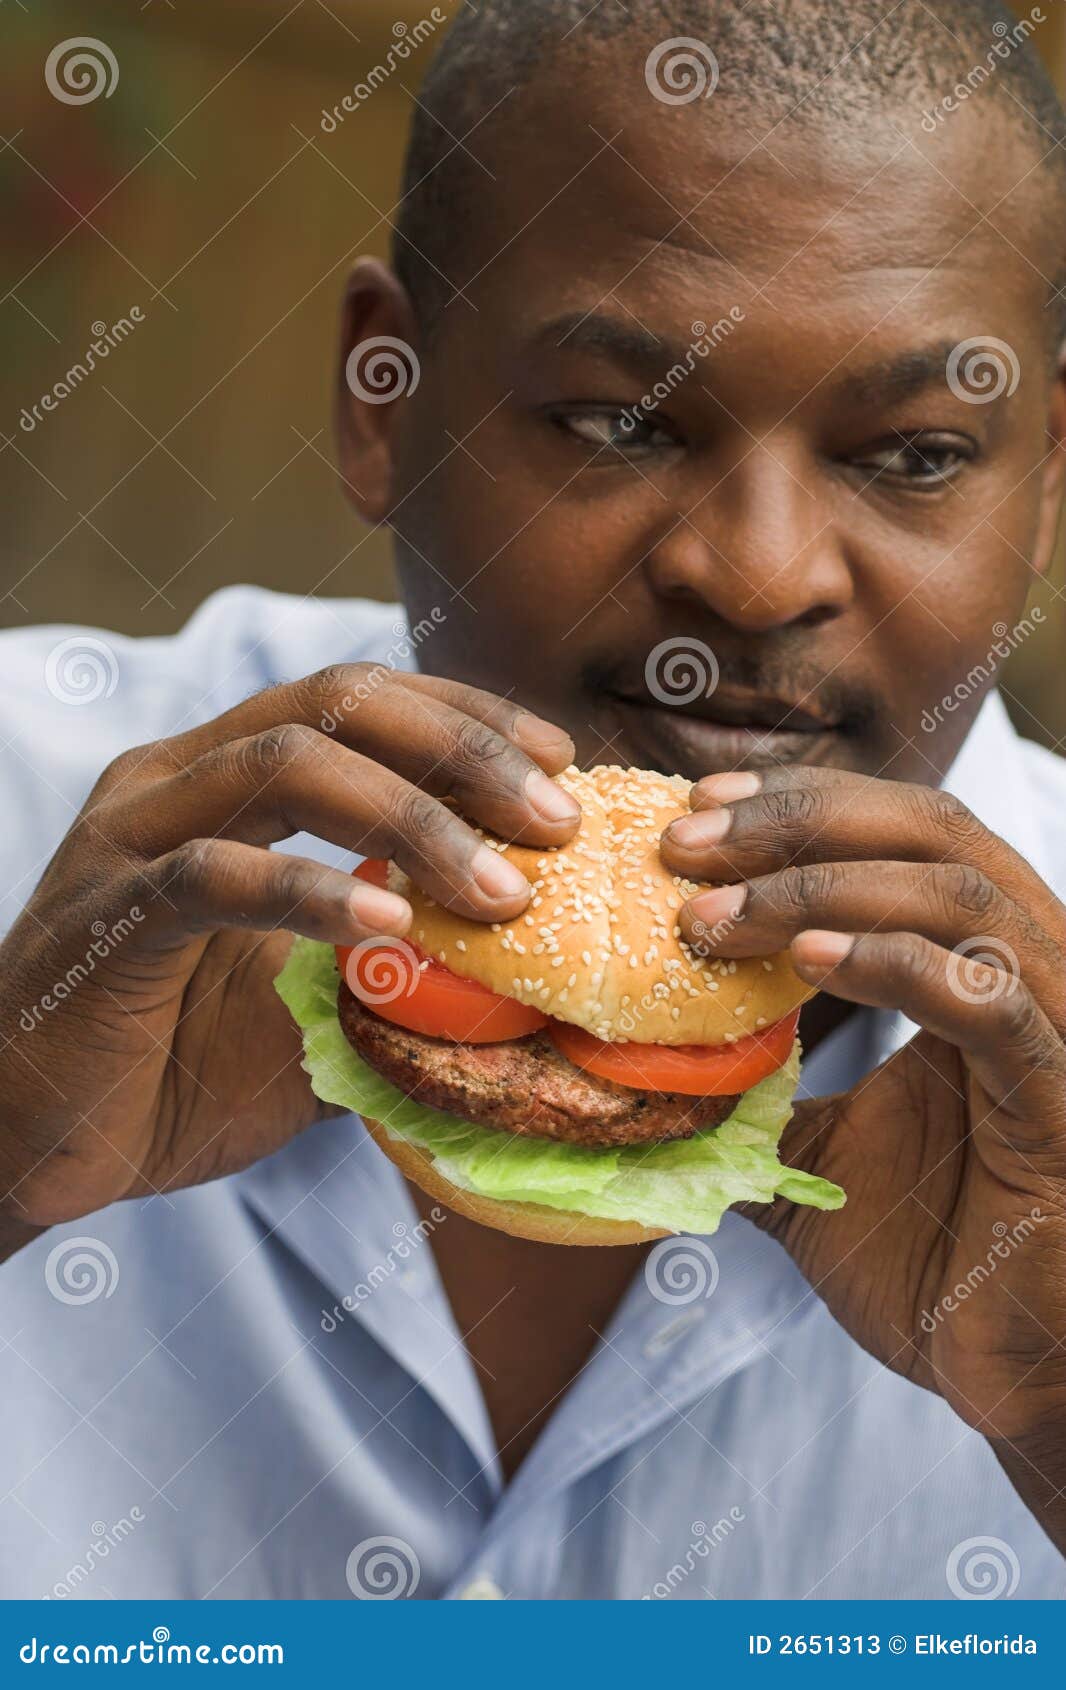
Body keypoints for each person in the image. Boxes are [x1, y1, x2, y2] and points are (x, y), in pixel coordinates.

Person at [2, 0, 1065, 1601]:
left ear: (1045, 478)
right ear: (383, 397)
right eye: (618, 423)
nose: (760, 573)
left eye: (911, 454)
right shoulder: (36, 807)